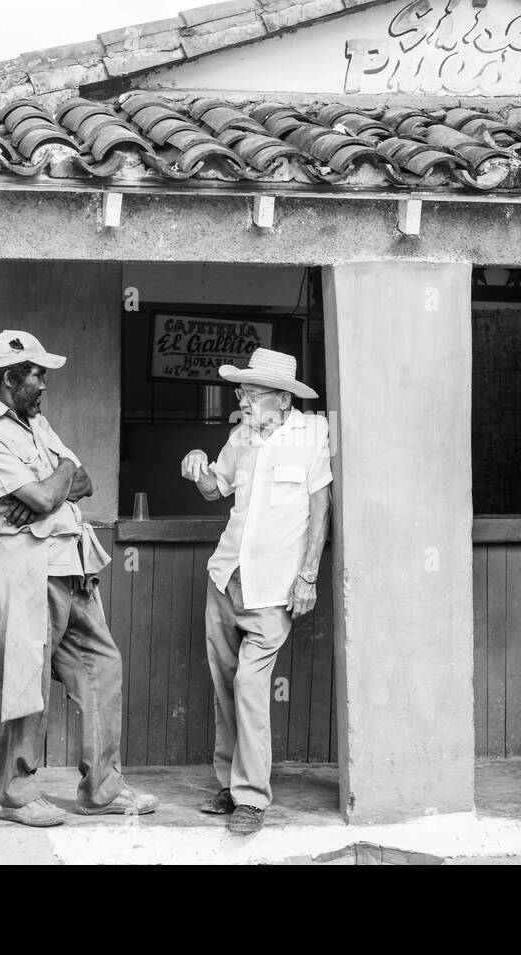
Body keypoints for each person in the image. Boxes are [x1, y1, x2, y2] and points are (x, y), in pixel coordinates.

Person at [0, 329, 157, 826]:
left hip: (74, 566)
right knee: (28, 684)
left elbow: (79, 481)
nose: (44, 384)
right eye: (36, 374)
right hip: (29, 570)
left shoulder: (36, 423)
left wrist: (59, 476)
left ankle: (102, 789)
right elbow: (48, 498)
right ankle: (16, 795)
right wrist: (57, 485)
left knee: (101, 668)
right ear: (9, 377)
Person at [179, 348, 332, 835]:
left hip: (274, 586)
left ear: (283, 399)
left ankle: (251, 798)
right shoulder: (239, 437)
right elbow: (214, 490)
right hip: (227, 577)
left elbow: (320, 508)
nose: (241, 398)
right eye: (241, 389)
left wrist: (308, 575)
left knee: (248, 685)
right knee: (226, 684)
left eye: (252, 391)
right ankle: (229, 784)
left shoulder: (312, 435)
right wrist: (198, 467)